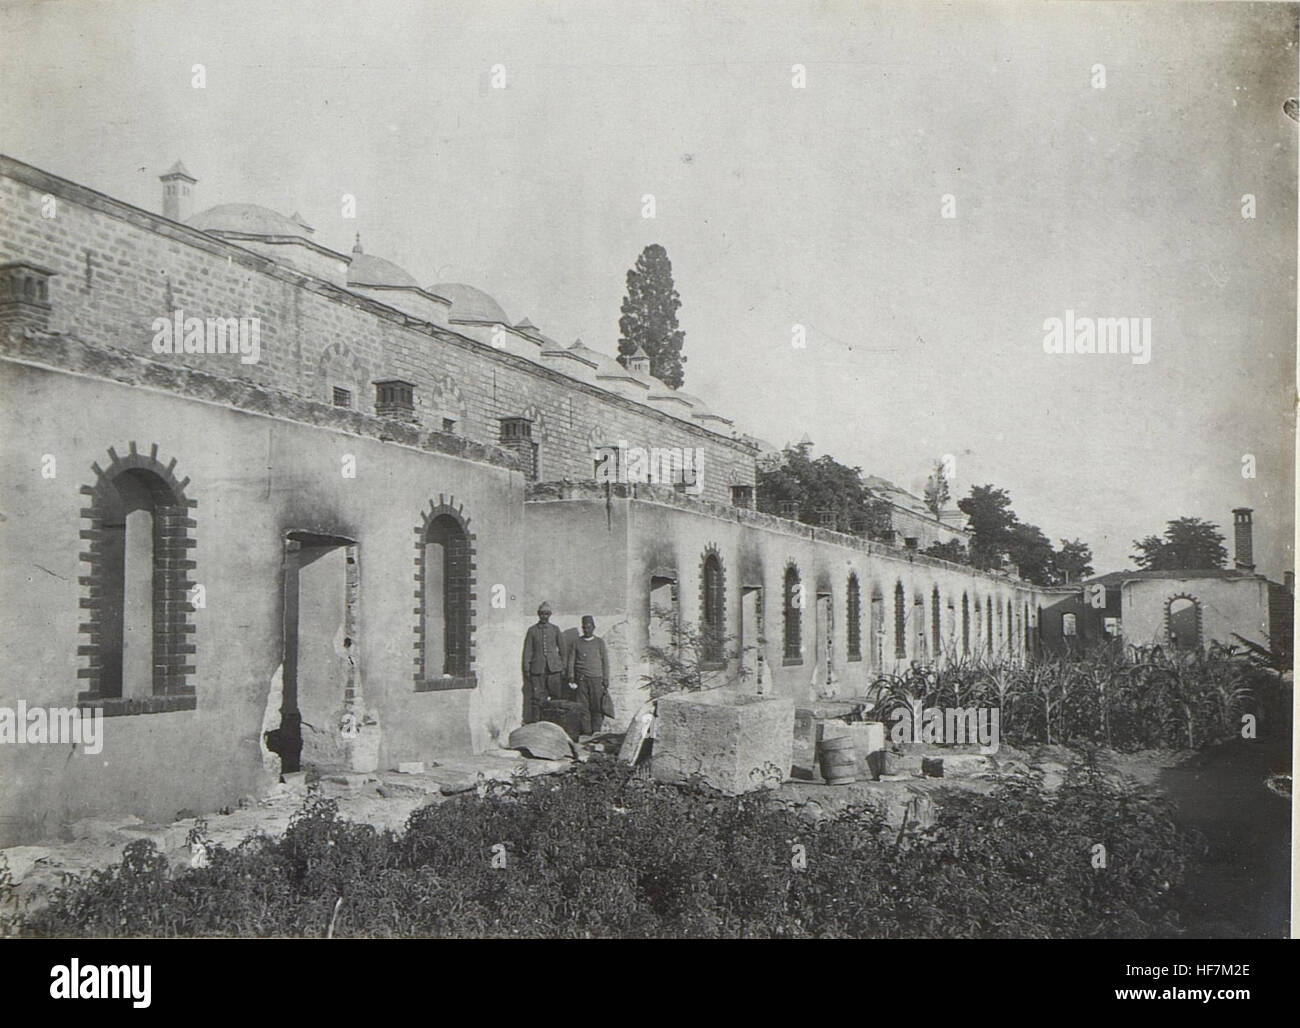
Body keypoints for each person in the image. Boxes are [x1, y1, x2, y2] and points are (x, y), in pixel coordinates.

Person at [521, 601, 564, 723]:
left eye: (546, 614)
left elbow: (563, 649)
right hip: (537, 670)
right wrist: (526, 668)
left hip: (554, 670)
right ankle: (537, 723)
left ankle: (554, 723)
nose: (544, 616)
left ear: (550, 615)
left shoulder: (555, 629)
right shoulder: (532, 630)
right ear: (538, 614)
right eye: (542, 614)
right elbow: (527, 650)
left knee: (556, 696)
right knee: (537, 698)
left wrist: (562, 666)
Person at [566, 615, 609, 735]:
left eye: (589, 627)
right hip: (581, 679)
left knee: (597, 705)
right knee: (582, 706)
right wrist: (571, 676)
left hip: (596, 678)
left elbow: (605, 661)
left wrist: (605, 678)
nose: (587, 630)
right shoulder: (576, 643)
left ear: (593, 627)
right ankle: (586, 731)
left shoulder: (599, 642)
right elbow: (571, 661)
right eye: (584, 627)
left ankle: (596, 731)